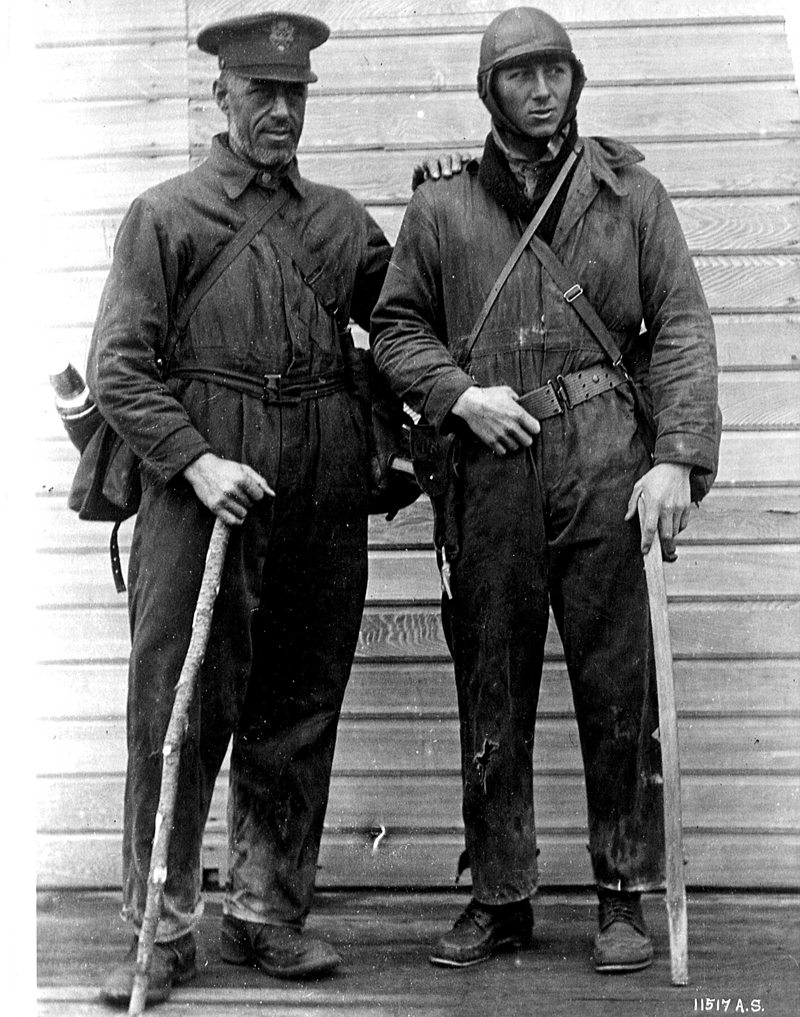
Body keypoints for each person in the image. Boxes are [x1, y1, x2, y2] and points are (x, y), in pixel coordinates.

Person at [371, 6, 721, 974]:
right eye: (518, 76)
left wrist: (674, 458)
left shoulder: (628, 197)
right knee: (490, 682)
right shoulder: (440, 210)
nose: (539, 91)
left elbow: (681, 326)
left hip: (606, 459)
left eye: (554, 74)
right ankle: (499, 895)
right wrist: (458, 398)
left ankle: (619, 894)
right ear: (489, 91)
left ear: (575, 82)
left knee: (616, 686)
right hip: (488, 469)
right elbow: (397, 330)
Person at [91, 12, 395, 1006]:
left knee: (298, 714)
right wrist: (193, 462)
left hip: (319, 499)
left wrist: (441, 216)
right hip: (202, 505)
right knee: (176, 718)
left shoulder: (341, 223)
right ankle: (163, 928)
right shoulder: (167, 216)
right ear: (220, 97)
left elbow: (404, 331)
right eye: (259, 92)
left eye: (293, 94)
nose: (278, 110)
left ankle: (266, 913)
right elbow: (120, 372)